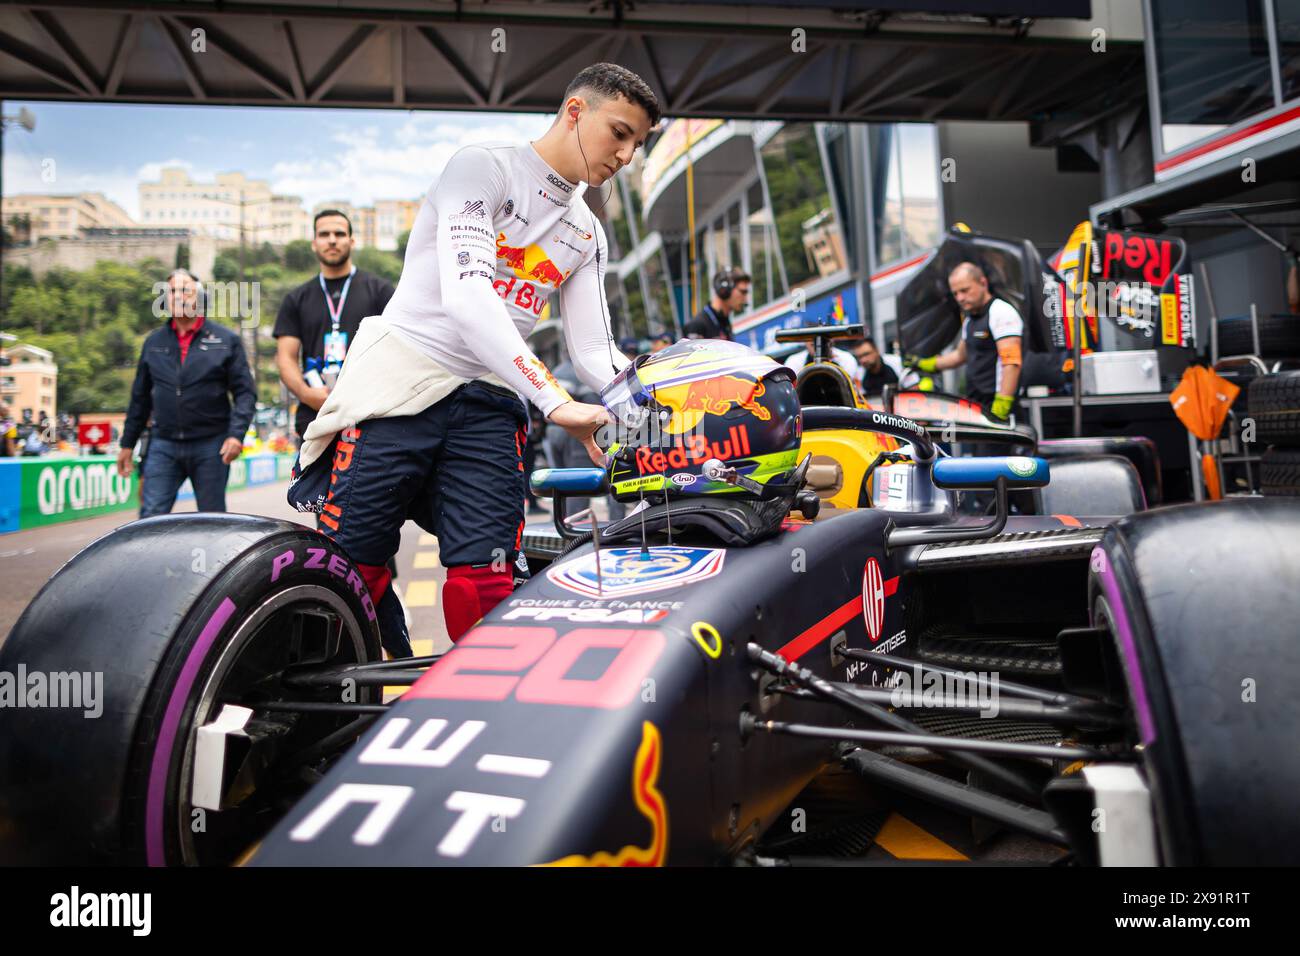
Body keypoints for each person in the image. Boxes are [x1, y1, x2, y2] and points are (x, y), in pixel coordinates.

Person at [285, 61, 659, 655]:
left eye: (638, 143)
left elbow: (592, 349)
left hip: (490, 399)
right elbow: (467, 295)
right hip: (399, 384)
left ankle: (476, 713)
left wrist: (658, 398)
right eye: (620, 133)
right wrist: (557, 402)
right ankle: (336, 722)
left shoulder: (587, 232)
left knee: (484, 587)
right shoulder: (482, 167)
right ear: (575, 111)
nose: (627, 155)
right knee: (351, 575)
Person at [118, 269, 256, 516]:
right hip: (164, 443)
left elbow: (245, 393)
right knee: (150, 517)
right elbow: (140, 397)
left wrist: (236, 435)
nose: (178, 296)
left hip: (212, 444)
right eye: (172, 291)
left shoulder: (226, 340)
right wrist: (127, 443)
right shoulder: (154, 342)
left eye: (185, 290)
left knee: (213, 519)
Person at [274, 210, 396, 440]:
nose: (332, 240)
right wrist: (306, 393)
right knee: (315, 477)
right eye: (324, 234)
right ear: (314, 243)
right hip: (316, 415)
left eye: (339, 234)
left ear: (351, 241)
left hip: (370, 414)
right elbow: (285, 357)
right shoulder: (296, 298)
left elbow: (398, 348)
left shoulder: (380, 291)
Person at [908, 262, 1023, 420]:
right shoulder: (970, 319)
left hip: (997, 406)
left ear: (983, 283)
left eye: (965, 290)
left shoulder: (1001, 312)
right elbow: (959, 356)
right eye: (955, 293)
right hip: (975, 405)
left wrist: (1002, 405)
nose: (960, 298)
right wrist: (924, 363)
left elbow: (1011, 362)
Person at [683, 268, 750, 340]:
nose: (746, 298)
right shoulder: (697, 326)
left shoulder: (724, 322)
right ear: (725, 291)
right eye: (743, 292)